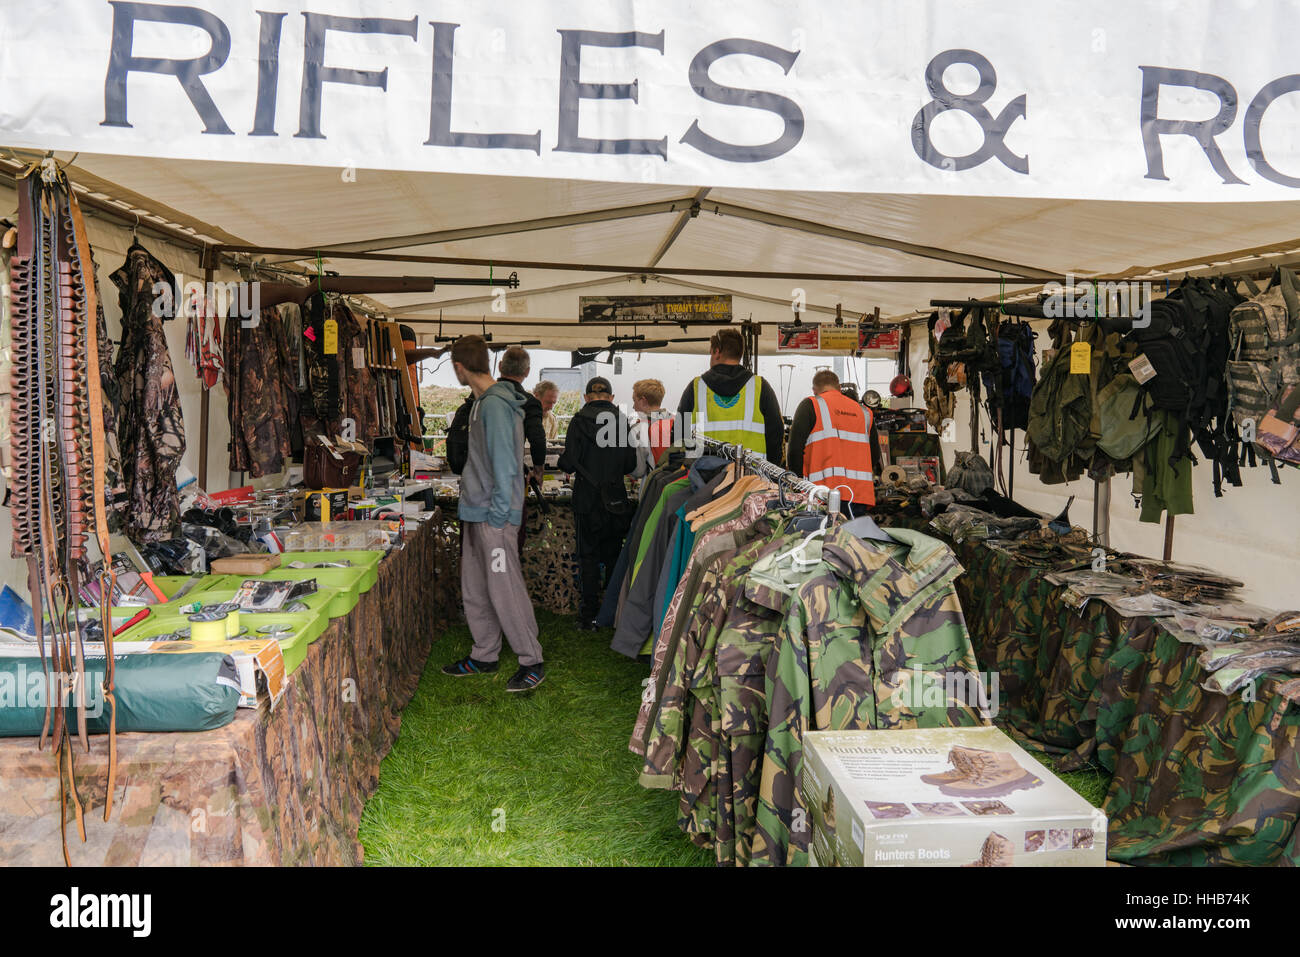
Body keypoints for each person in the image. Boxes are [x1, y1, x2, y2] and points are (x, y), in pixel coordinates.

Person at [440, 335, 545, 692]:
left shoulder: (497, 405)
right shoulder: (483, 402)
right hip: (476, 511)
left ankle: (532, 660)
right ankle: (484, 654)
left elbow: (506, 467)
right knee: (476, 588)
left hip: (493, 516)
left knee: (505, 589)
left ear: (459, 367)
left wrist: (500, 517)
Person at [558, 376, 638, 631]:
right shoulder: (622, 421)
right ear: (611, 398)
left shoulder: (579, 421)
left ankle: (588, 616)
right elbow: (629, 464)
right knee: (614, 556)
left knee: (588, 557)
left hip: (587, 498)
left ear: (587, 397)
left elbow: (569, 462)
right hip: (615, 497)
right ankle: (612, 613)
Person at [785, 370, 882, 516]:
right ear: (838, 388)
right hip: (858, 495)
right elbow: (874, 454)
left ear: (814, 389)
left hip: (821, 494)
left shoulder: (811, 405)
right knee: (853, 538)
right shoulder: (865, 412)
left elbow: (794, 451)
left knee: (823, 537)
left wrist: (798, 486)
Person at [677, 328, 783, 459]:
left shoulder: (695, 388)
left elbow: (678, 437)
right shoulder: (760, 387)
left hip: (704, 475)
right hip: (751, 476)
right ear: (740, 354)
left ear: (716, 352)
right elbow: (775, 436)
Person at [630, 378, 674, 476]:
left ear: (643, 401)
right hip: (679, 484)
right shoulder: (678, 422)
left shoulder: (638, 429)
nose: (633, 406)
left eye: (634, 401)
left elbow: (638, 471)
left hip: (654, 485)